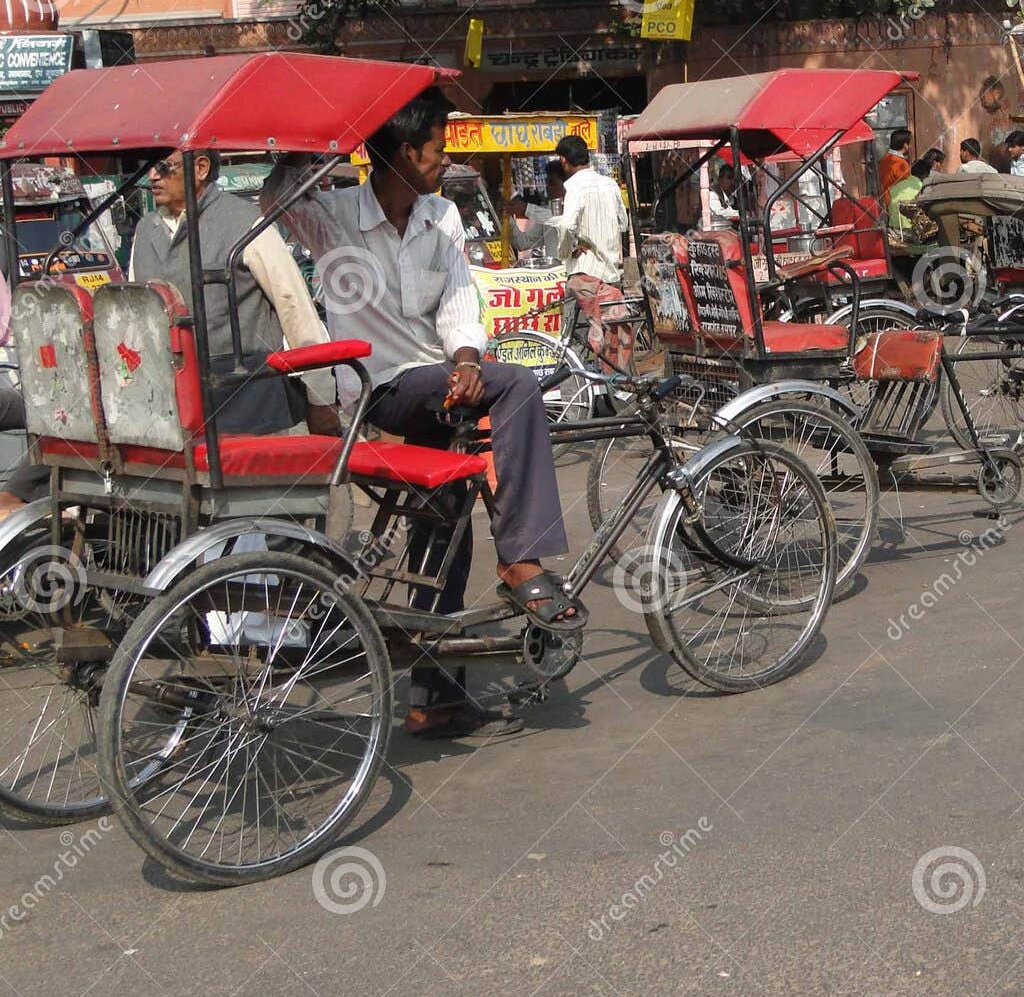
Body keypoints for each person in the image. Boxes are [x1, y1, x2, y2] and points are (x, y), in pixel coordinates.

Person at [263, 88, 574, 739]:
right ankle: (522, 555)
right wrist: (327, 124)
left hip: (441, 385)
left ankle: (436, 701)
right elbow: (277, 195)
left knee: (444, 530)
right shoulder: (337, 217)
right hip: (383, 387)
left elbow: (460, 304)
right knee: (518, 385)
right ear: (405, 152)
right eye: (437, 147)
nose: (444, 159)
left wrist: (467, 359)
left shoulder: (441, 216)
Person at [0, 149, 337, 521]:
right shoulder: (146, 230)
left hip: (247, 402)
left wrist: (321, 398)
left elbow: (296, 310)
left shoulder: (246, 223)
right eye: (150, 167)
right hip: (170, 406)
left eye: (163, 167)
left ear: (201, 168)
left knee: (261, 521)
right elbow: (131, 321)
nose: (153, 177)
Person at [550, 134, 631, 370]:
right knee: (612, 340)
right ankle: (613, 384)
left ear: (564, 160)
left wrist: (566, 252)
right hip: (611, 275)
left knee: (575, 341)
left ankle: (579, 383)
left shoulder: (574, 186)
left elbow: (567, 225)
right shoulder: (610, 184)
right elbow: (624, 223)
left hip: (584, 275)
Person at [887, 153, 934, 234]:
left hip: (893, 226)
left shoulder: (898, 185)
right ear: (925, 175)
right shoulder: (921, 186)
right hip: (910, 227)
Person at [707, 162, 744, 229]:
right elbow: (718, 213)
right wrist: (740, 213)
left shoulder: (733, 199)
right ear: (720, 180)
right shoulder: (713, 194)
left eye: (734, 179)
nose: (733, 182)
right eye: (729, 178)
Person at [879, 128, 913, 195]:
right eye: (910, 144)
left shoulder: (884, 159)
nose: (911, 146)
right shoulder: (901, 163)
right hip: (895, 199)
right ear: (905, 145)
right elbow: (905, 189)